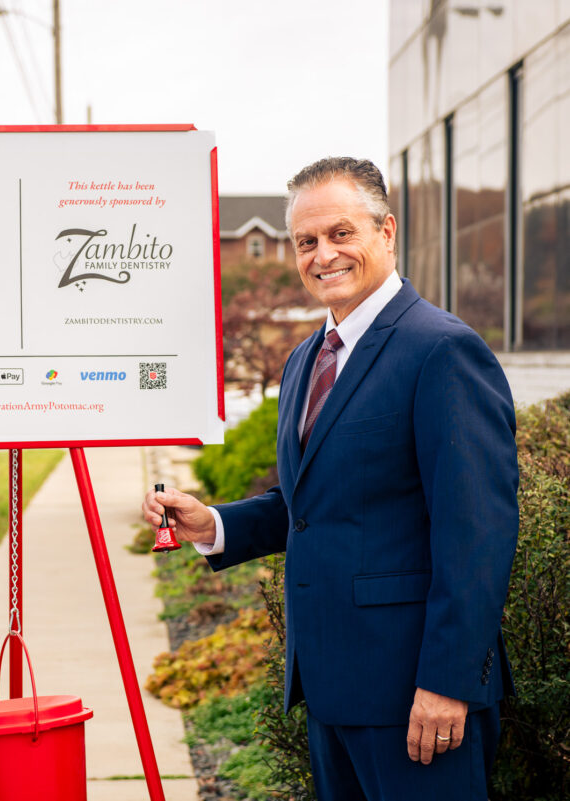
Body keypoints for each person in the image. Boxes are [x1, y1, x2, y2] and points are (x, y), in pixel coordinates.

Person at [143, 157, 518, 800]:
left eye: (341, 233)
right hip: (329, 686)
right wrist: (217, 523)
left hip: (415, 694)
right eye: (307, 241)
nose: (324, 255)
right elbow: (315, 503)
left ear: (387, 231)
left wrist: (448, 683)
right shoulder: (305, 359)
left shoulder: (441, 350)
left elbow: (477, 533)